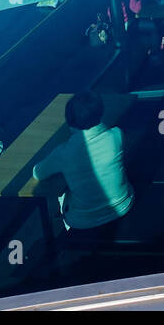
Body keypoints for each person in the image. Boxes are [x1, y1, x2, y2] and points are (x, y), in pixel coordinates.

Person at [33, 91, 134, 231]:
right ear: (100, 112)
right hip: (124, 205)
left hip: (84, 220)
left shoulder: (64, 152)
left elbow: (38, 173)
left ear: (69, 120)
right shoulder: (116, 135)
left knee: (63, 194)